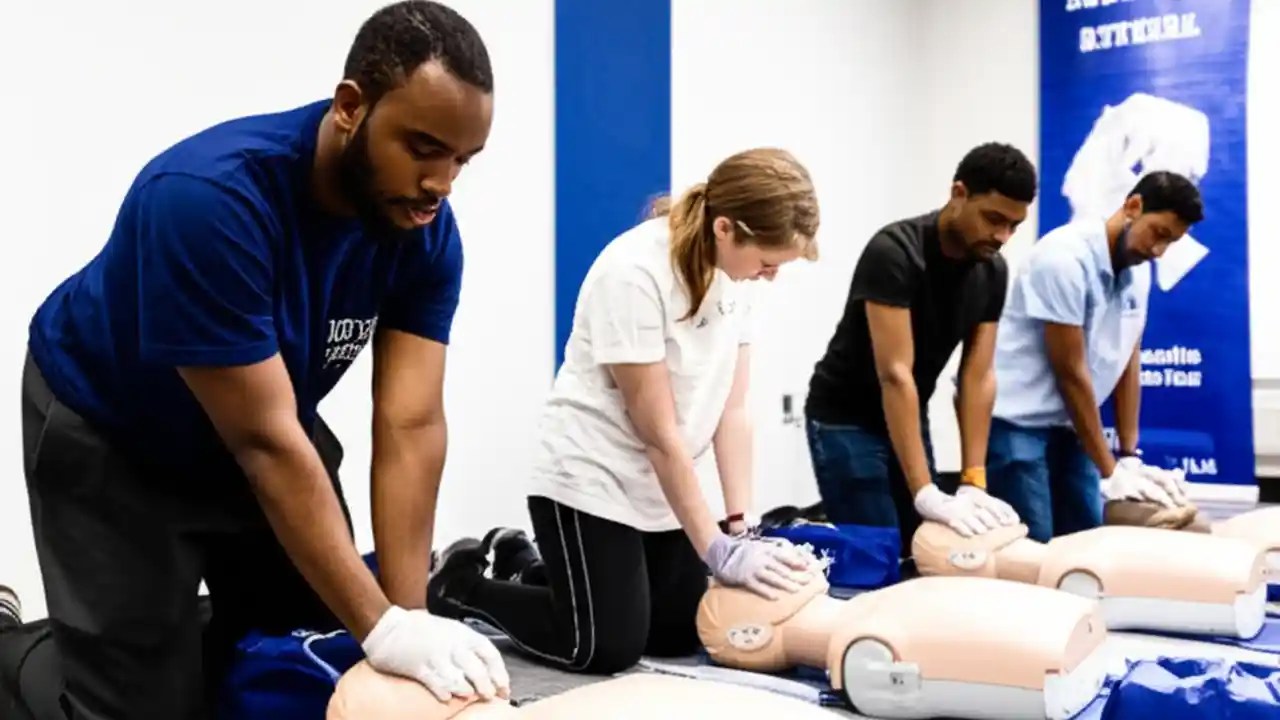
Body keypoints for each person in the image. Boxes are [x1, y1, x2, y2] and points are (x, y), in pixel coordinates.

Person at [15, 2, 509, 717]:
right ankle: (21, 646)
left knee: (304, 651)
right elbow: (266, 444)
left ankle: (163, 639)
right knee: (140, 702)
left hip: (262, 426)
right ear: (350, 107)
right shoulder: (209, 199)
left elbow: (410, 424)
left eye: (463, 159)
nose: (443, 182)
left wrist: (408, 623)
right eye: (424, 146)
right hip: (114, 433)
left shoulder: (422, 229)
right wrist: (384, 627)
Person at [426, 148, 822, 675]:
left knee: (679, 631)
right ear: (726, 229)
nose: (771, 276)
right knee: (604, 646)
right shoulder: (634, 273)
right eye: (768, 262)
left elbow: (734, 411)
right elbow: (658, 436)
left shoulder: (738, 280)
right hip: (591, 478)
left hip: (661, 486)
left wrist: (739, 528)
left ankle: (523, 561)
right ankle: (463, 586)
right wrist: (714, 550)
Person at [803, 143, 1037, 557]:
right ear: (959, 193)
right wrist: (925, 489)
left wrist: (973, 479)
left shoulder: (992, 270)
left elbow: (977, 377)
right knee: (876, 552)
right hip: (845, 418)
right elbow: (895, 373)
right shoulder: (896, 251)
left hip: (910, 411)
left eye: (1014, 226)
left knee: (925, 547)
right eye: (994, 219)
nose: (1002, 237)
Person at [984, 171, 1203, 543]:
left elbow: (1128, 358)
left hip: (1071, 426)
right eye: (1159, 233)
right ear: (1133, 206)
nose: (1158, 251)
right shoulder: (1063, 259)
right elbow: (1070, 372)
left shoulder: (1138, 272)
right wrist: (1109, 470)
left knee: (1086, 541)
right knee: (1034, 546)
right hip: (1017, 424)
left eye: (1171, 242)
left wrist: (1129, 453)